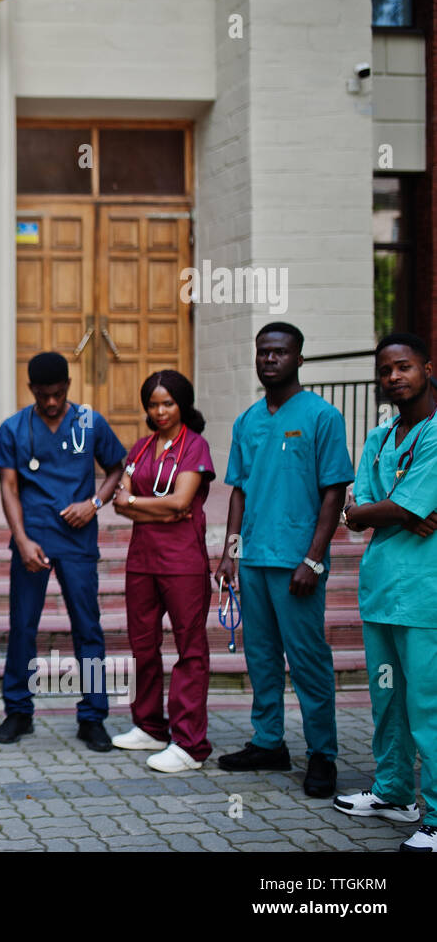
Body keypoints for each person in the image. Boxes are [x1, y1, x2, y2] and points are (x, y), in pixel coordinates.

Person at [214, 322, 354, 798]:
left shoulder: (321, 416)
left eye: (279, 352)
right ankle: (269, 742)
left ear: (299, 359)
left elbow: (334, 490)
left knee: (309, 659)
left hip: (297, 562)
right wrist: (231, 552)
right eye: (263, 352)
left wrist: (314, 559)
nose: (269, 359)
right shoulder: (247, 420)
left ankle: (322, 754)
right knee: (262, 658)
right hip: (253, 558)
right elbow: (239, 490)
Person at [0, 351, 126, 751]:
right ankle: (18, 711)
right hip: (32, 539)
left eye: (58, 392)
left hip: (78, 542)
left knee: (88, 628)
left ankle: (93, 716)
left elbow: (117, 467)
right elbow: (9, 487)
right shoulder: (14, 428)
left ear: (69, 385)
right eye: (42, 394)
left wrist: (95, 503)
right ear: (31, 389)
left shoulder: (90, 421)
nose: (51, 401)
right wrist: (21, 539)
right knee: (23, 628)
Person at [336, 333, 437, 852]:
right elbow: (359, 509)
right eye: (385, 371)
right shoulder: (379, 436)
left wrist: (391, 509)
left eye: (403, 367)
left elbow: (395, 508)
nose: (393, 377)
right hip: (380, 589)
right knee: (387, 699)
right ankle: (395, 793)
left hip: (424, 595)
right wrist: (395, 509)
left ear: (426, 367)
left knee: (428, 705)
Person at [110, 370, 215, 772]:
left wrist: (140, 503)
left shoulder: (195, 446)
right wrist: (154, 505)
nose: (160, 411)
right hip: (142, 561)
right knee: (143, 645)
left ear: (182, 405)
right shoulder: (140, 447)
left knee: (190, 650)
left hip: (182, 563)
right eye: (153, 404)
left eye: (167, 403)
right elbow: (122, 500)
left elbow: (182, 502)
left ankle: (190, 745)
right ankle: (150, 725)